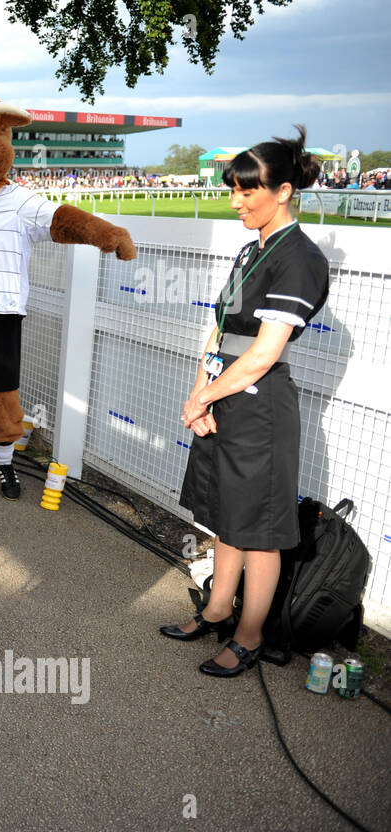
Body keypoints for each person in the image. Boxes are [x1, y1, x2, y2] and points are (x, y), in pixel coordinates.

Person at [162, 127, 328, 677]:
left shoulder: (300, 258)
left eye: (247, 191)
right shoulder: (249, 249)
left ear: (283, 191)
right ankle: (215, 609)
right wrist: (198, 395)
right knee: (225, 515)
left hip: (261, 406)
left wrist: (207, 395)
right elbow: (219, 334)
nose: (235, 201)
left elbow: (262, 354)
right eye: (232, 189)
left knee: (257, 526)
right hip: (224, 395)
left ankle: (251, 634)